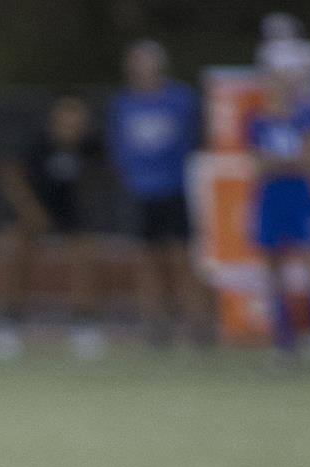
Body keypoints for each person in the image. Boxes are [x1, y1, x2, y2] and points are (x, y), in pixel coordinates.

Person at [108, 40, 212, 347]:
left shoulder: (180, 99)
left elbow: (196, 138)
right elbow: (118, 147)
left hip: (176, 187)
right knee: (147, 257)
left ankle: (198, 322)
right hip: (141, 190)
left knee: (183, 256)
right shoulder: (123, 103)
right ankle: (155, 323)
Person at [0, 94, 105, 360]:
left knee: (85, 253)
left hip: (69, 209)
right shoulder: (36, 142)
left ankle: (84, 323)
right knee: (13, 249)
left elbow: (99, 174)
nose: (74, 125)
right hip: (32, 206)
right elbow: (10, 173)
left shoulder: (91, 144)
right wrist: (30, 211)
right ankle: (7, 321)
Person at [248, 63, 310, 361]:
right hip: (270, 200)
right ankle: (284, 341)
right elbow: (258, 165)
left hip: (303, 199)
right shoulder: (257, 121)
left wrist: (277, 162)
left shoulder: (308, 116)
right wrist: (289, 160)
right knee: (273, 270)